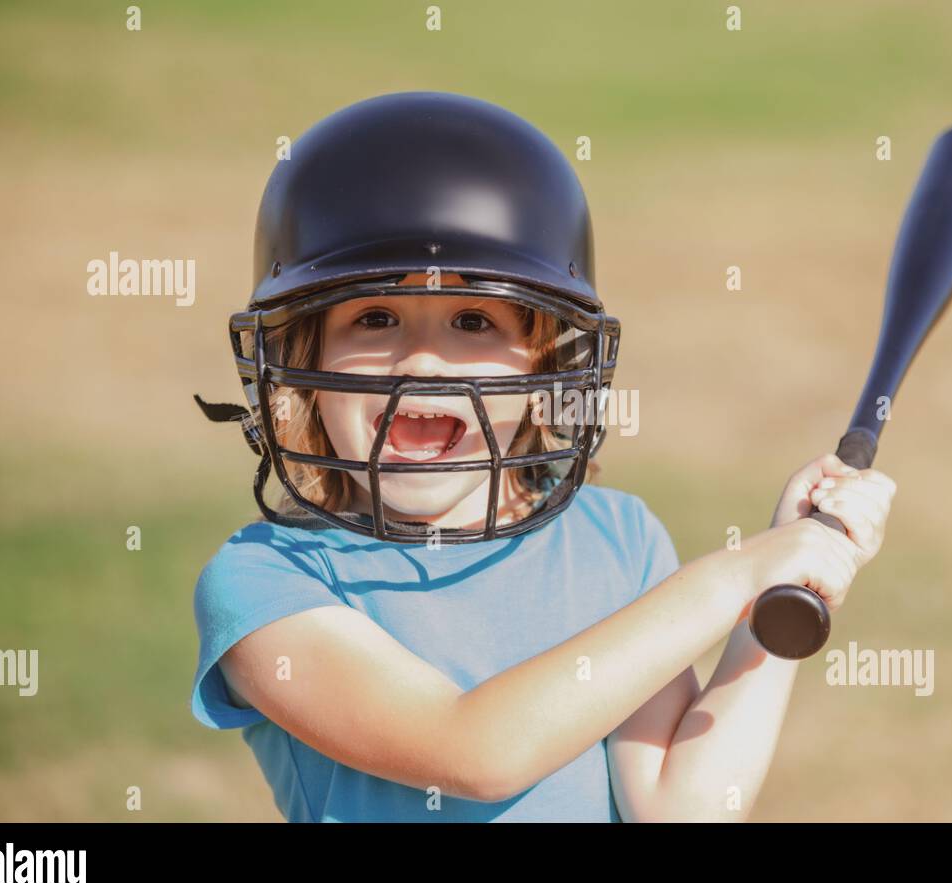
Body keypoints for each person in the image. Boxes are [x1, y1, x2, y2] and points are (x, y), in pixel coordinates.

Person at [189, 91, 896, 822]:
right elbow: (471, 750)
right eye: (375, 316)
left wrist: (772, 595)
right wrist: (736, 573)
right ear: (303, 355)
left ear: (541, 368)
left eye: (474, 319)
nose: (425, 363)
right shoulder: (266, 581)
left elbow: (684, 807)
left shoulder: (614, 538)